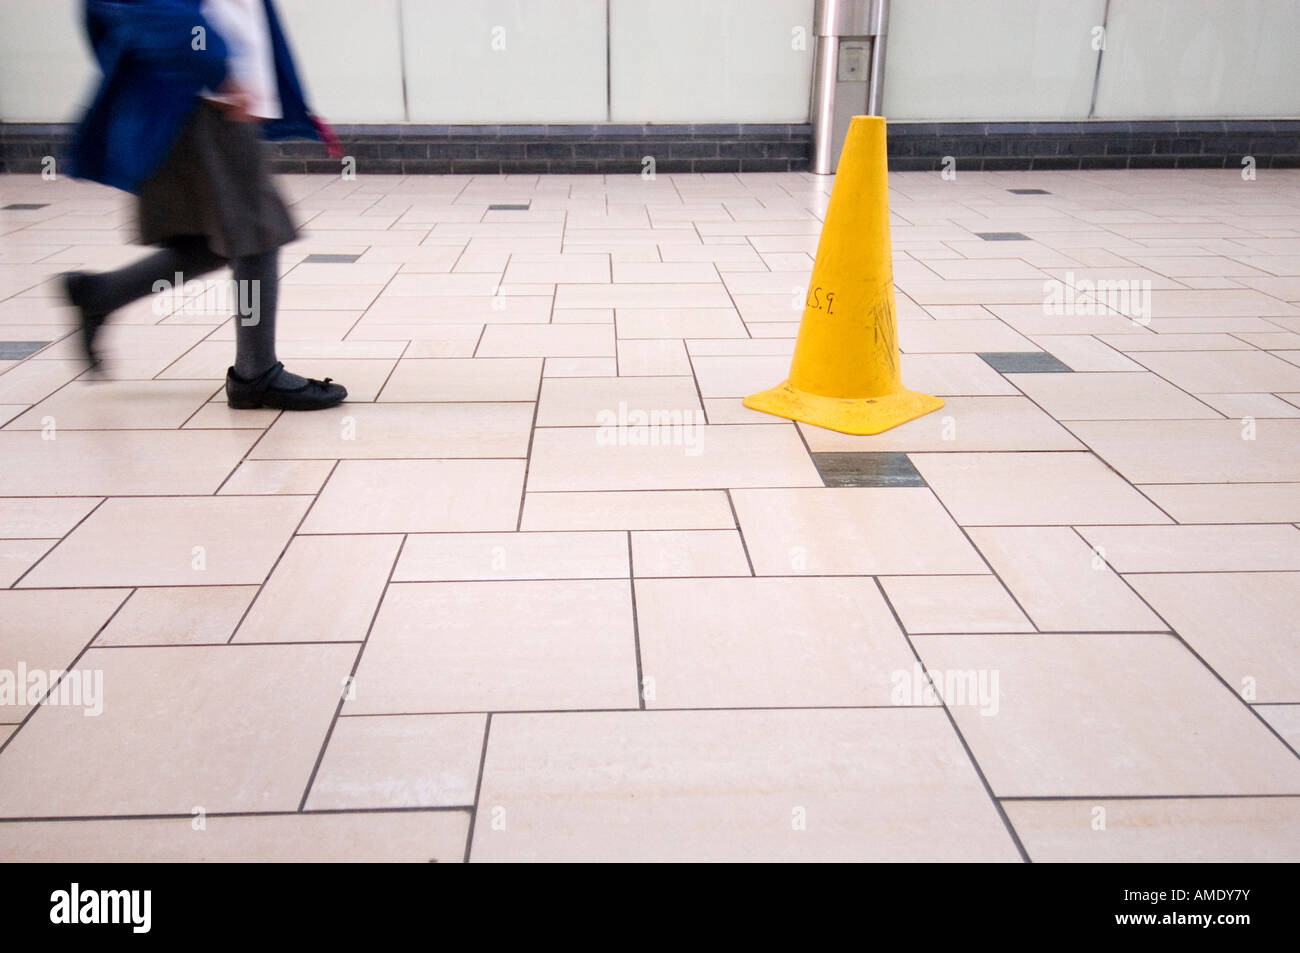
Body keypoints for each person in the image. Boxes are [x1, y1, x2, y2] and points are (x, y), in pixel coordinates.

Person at [62, 0, 347, 410]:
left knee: (219, 239)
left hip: (204, 95)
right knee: (255, 232)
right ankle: (256, 373)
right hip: (203, 98)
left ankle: (102, 293)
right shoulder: (209, 76)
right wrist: (219, 72)